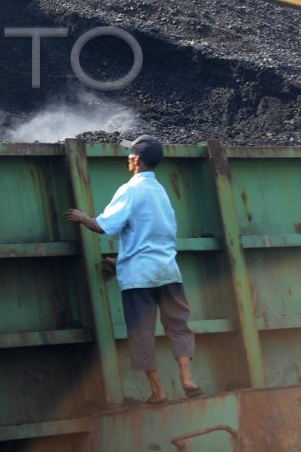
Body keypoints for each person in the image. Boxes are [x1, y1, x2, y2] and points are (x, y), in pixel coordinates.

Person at [64, 135, 201, 404]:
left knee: (141, 333)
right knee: (178, 325)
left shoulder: (130, 189)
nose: (127, 158)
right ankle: (188, 378)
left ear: (136, 160)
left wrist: (82, 218)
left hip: (139, 278)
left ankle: (158, 390)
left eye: (129, 154)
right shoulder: (160, 191)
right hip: (168, 271)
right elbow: (154, 234)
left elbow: (104, 226)